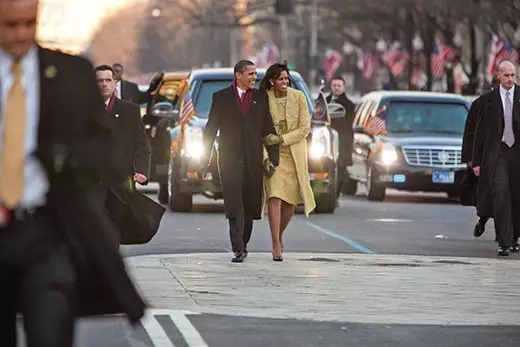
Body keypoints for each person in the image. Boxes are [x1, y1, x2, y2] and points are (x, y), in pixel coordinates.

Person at [0, 1, 146, 346]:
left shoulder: (71, 75)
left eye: (28, 23)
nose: (21, 35)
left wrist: (63, 158)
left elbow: (103, 150)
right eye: (9, 25)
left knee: (51, 330)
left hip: (47, 233)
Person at [202, 59, 279, 263]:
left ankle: (244, 242)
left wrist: (274, 157)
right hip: (229, 159)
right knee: (234, 203)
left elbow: (268, 128)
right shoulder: (221, 98)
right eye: (251, 74)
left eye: (255, 74)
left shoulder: (261, 97)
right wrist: (205, 159)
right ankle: (237, 247)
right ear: (238, 75)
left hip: (253, 160)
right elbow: (210, 129)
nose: (255, 78)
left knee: (250, 203)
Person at [261, 63, 316, 261]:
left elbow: (304, 129)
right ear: (272, 81)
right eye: (280, 79)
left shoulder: (299, 97)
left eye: (286, 79)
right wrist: (265, 156)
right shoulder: (264, 99)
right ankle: (275, 241)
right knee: (274, 196)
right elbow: (260, 131)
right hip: (273, 155)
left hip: (293, 154)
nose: (284, 82)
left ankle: (280, 233)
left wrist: (282, 139)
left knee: (290, 201)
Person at [473, 61, 520, 256]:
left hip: (517, 153)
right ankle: (504, 241)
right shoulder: (488, 100)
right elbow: (480, 133)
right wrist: (476, 161)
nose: (510, 79)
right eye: (507, 75)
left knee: (516, 196)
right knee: (500, 195)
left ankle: (515, 237)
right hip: (498, 153)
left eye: (513, 75)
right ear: (499, 76)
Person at [461, 75, 499, 239]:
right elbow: (470, 133)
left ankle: (506, 236)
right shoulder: (480, 104)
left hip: (508, 155)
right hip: (486, 155)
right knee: (490, 195)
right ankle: (483, 220)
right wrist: (471, 158)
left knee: (506, 194)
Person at [326, 76, 356, 196]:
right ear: (331, 87)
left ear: (343, 87)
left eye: (339, 86)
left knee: (340, 169)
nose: (336, 88)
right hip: (325, 140)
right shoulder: (324, 101)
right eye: (334, 85)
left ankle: (335, 195)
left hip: (342, 142)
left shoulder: (349, 105)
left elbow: (348, 124)